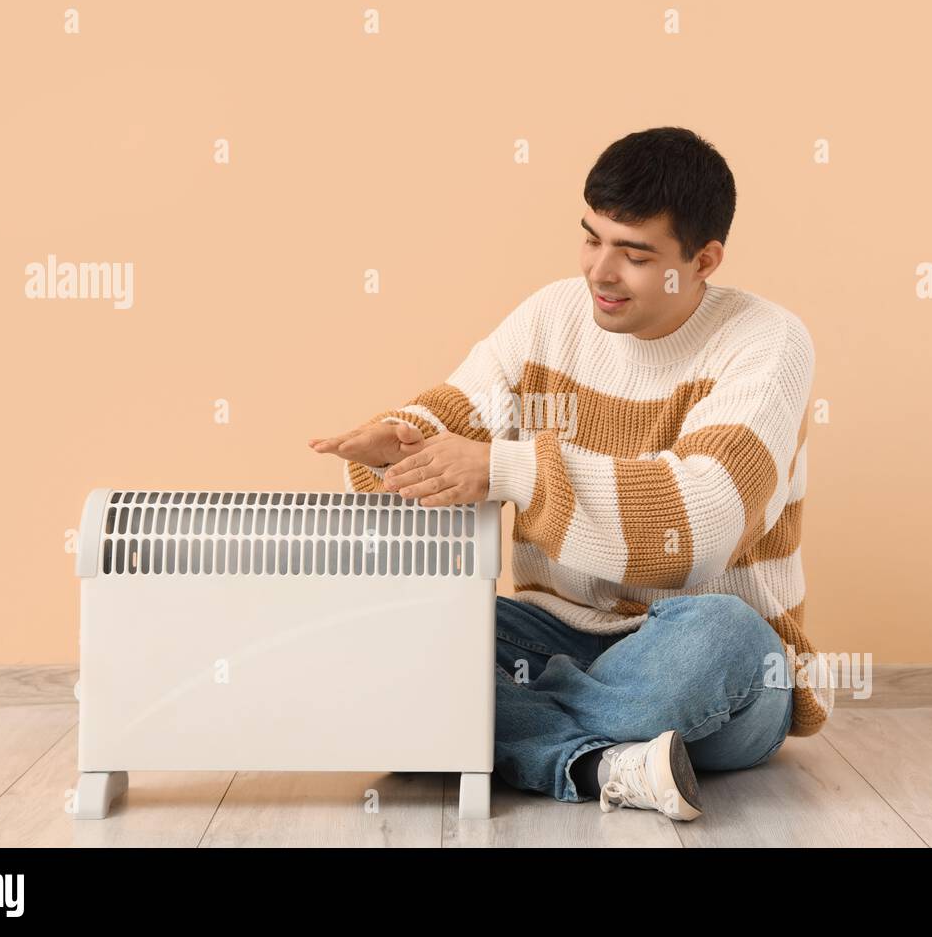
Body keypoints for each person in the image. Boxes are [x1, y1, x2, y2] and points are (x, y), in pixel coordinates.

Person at [310, 126, 833, 821]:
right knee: (380, 633)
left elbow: (697, 527)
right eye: (591, 238)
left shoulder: (767, 343)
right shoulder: (552, 316)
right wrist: (398, 447)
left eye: (634, 254)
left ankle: (487, 722)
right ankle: (601, 764)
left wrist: (508, 471)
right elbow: (457, 414)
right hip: (549, 634)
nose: (600, 272)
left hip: (700, 660)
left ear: (703, 260)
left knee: (726, 637)